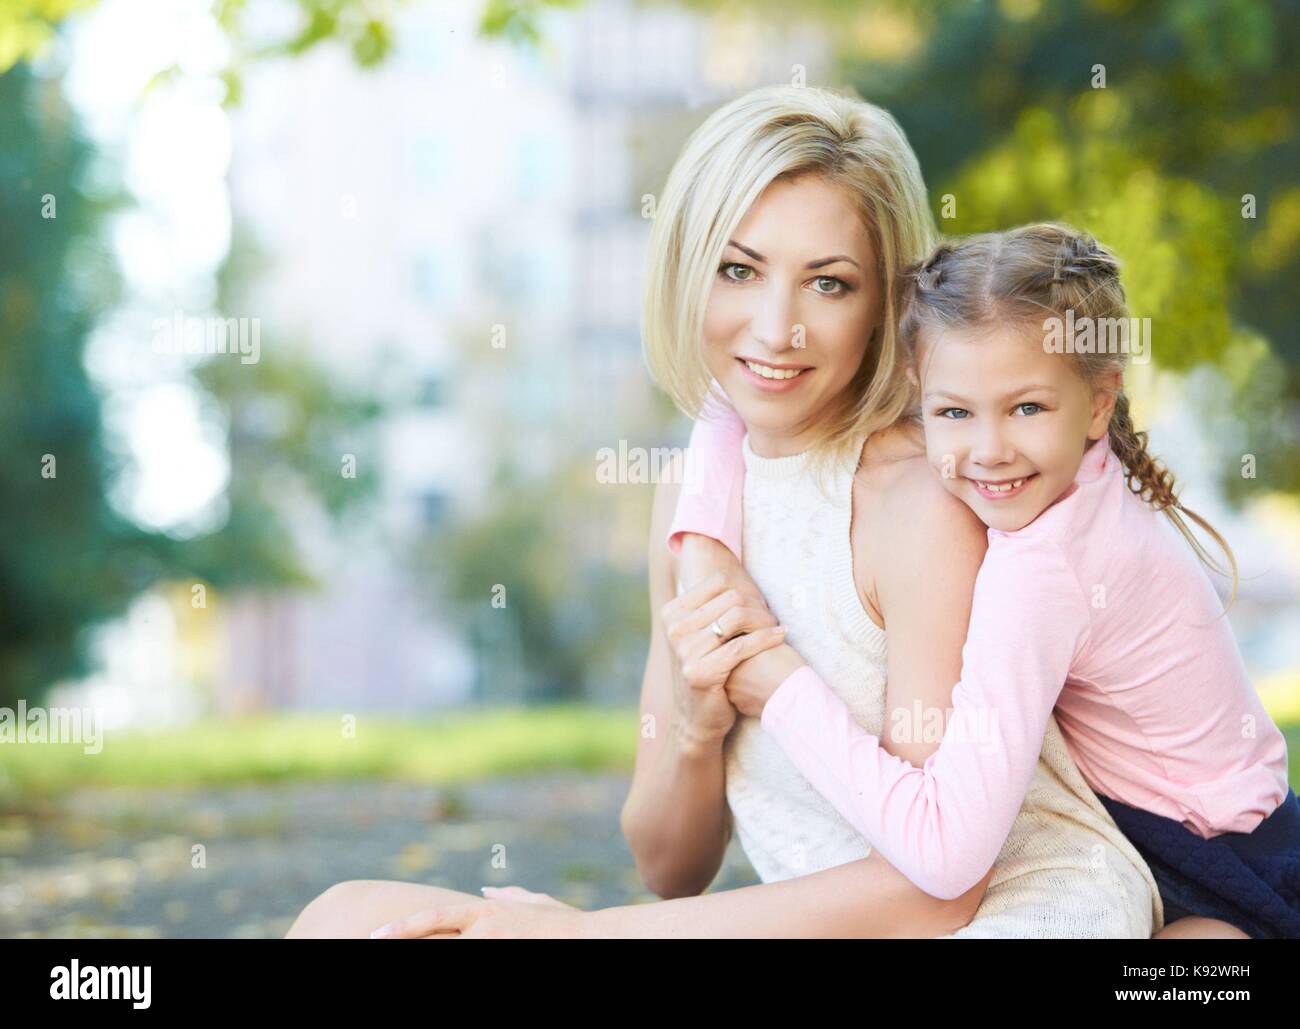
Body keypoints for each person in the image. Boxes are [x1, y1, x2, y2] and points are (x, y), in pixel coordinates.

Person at [286, 86, 1164, 938]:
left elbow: (932, 893)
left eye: (829, 284)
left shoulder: (918, 505)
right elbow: (670, 865)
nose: (775, 328)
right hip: (813, 923)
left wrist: (593, 933)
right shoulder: (698, 499)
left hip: (1017, 910)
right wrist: (699, 728)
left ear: (887, 306)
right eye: (739, 270)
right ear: (687, 268)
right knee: (342, 918)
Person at [669, 224, 1297, 938]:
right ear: (920, 396)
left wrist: (780, 689)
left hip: (1224, 874)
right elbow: (729, 406)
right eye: (955, 413)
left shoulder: (1042, 570)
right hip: (1200, 835)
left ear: (1098, 402)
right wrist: (704, 545)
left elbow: (945, 857)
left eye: (1027, 408)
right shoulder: (1070, 471)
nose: (990, 451)